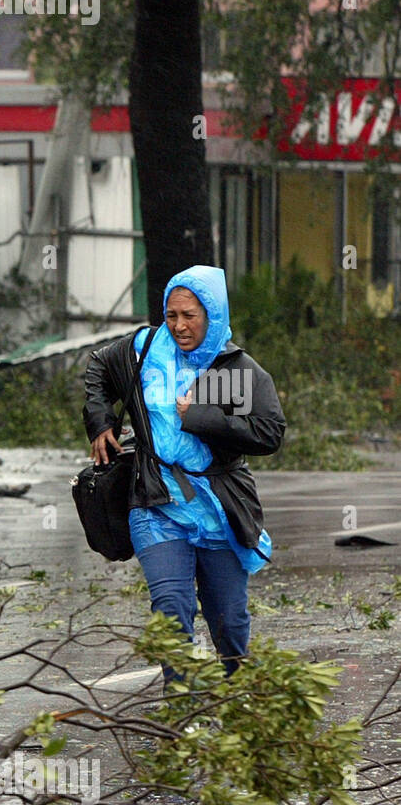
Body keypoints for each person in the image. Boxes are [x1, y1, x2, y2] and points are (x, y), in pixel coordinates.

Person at [83, 264, 286, 684]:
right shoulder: (145, 348)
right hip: (155, 501)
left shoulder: (233, 368)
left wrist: (200, 416)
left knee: (229, 621)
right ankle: (181, 704)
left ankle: (238, 697)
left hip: (218, 506)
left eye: (189, 316)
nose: (178, 326)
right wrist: (101, 421)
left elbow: (269, 432)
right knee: (172, 605)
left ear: (212, 315)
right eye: (171, 314)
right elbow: (99, 367)